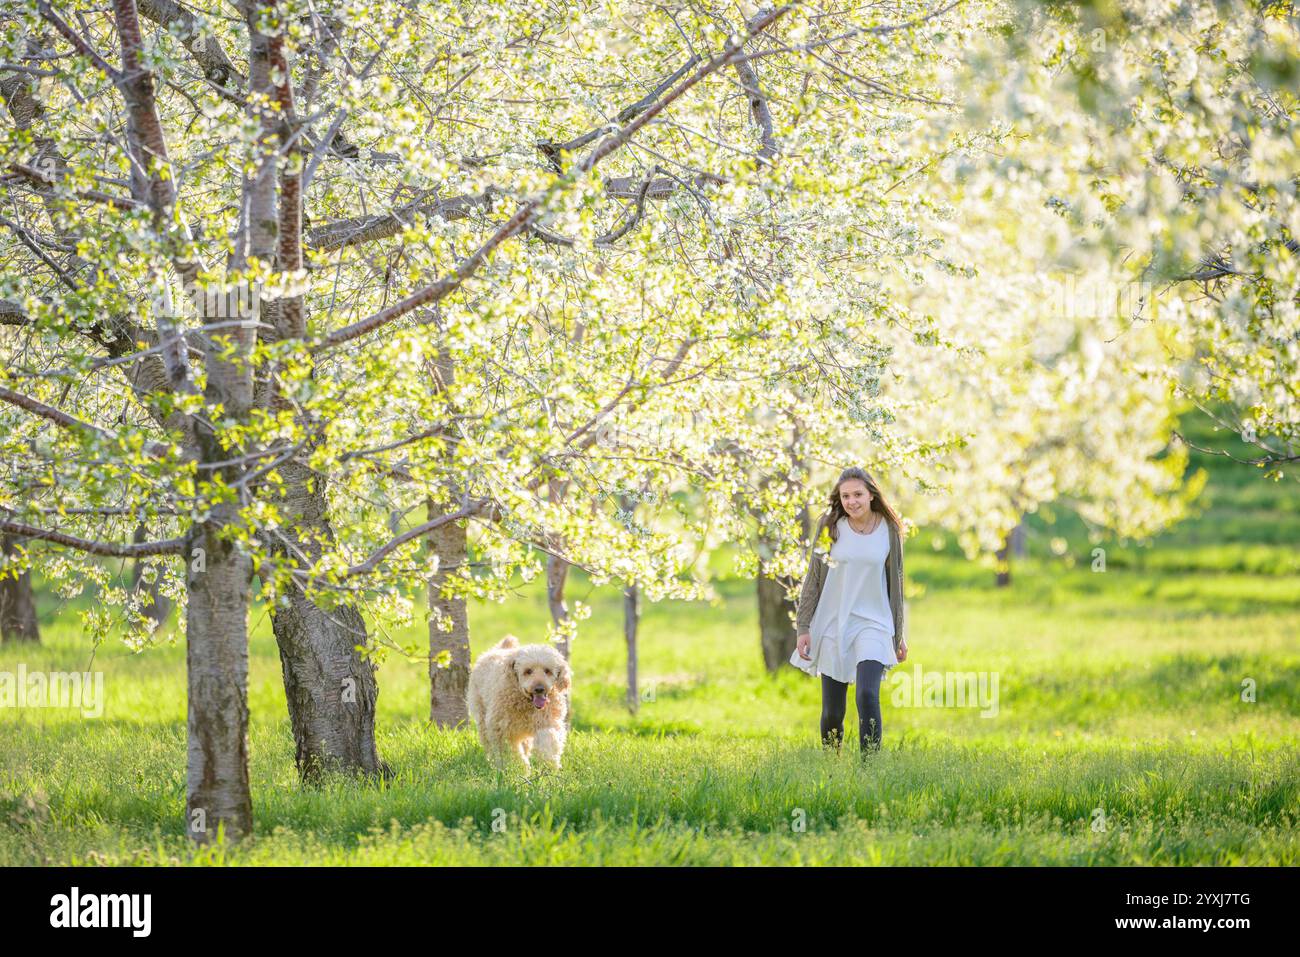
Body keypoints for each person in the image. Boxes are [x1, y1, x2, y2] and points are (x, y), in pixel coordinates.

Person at [790, 466, 907, 756]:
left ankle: (869, 771)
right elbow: (813, 579)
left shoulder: (889, 531)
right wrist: (804, 627)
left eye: (857, 494)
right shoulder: (831, 526)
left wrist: (899, 634)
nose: (852, 501)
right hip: (832, 623)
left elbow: (897, 584)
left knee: (867, 695)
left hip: (874, 623)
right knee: (832, 710)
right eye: (845, 496)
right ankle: (833, 768)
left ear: (871, 495)